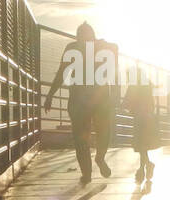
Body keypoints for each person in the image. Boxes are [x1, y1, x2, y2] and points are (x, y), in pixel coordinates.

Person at [44, 22, 116, 184]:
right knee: (100, 133)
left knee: (81, 138)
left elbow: (62, 73)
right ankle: (98, 160)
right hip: (98, 100)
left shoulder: (74, 48)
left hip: (81, 100)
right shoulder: (100, 47)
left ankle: (89, 171)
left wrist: (50, 95)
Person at [123, 76, 159, 184]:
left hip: (139, 119)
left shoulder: (133, 86)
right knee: (144, 145)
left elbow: (126, 103)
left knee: (141, 145)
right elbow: (152, 104)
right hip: (148, 119)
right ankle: (145, 167)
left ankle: (144, 168)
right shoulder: (147, 86)